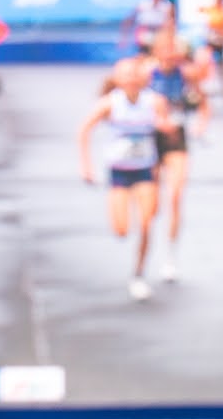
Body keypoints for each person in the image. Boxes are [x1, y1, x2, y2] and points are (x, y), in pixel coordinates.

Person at [78, 58, 171, 300]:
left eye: (134, 74)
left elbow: (165, 139)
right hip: (119, 171)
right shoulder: (110, 104)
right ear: (118, 79)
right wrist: (87, 166)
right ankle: (134, 261)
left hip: (145, 170)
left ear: (143, 78)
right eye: (125, 75)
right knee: (121, 229)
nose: (131, 79)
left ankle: (139, 273)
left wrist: (161, 170)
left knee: (146, 224)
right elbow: (84, 130)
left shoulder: (155, 102)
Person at [146, 31, 208, 282]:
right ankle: (146, 249)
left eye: (174, 49)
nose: (170, 55)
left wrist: (201, 124)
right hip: (150, 140)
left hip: (176, 139)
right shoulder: (145, 73)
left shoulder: (186, 74)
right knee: (151, 205)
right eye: (165, 49)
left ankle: (170, 255)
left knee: (175, 197)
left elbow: (203, 101)